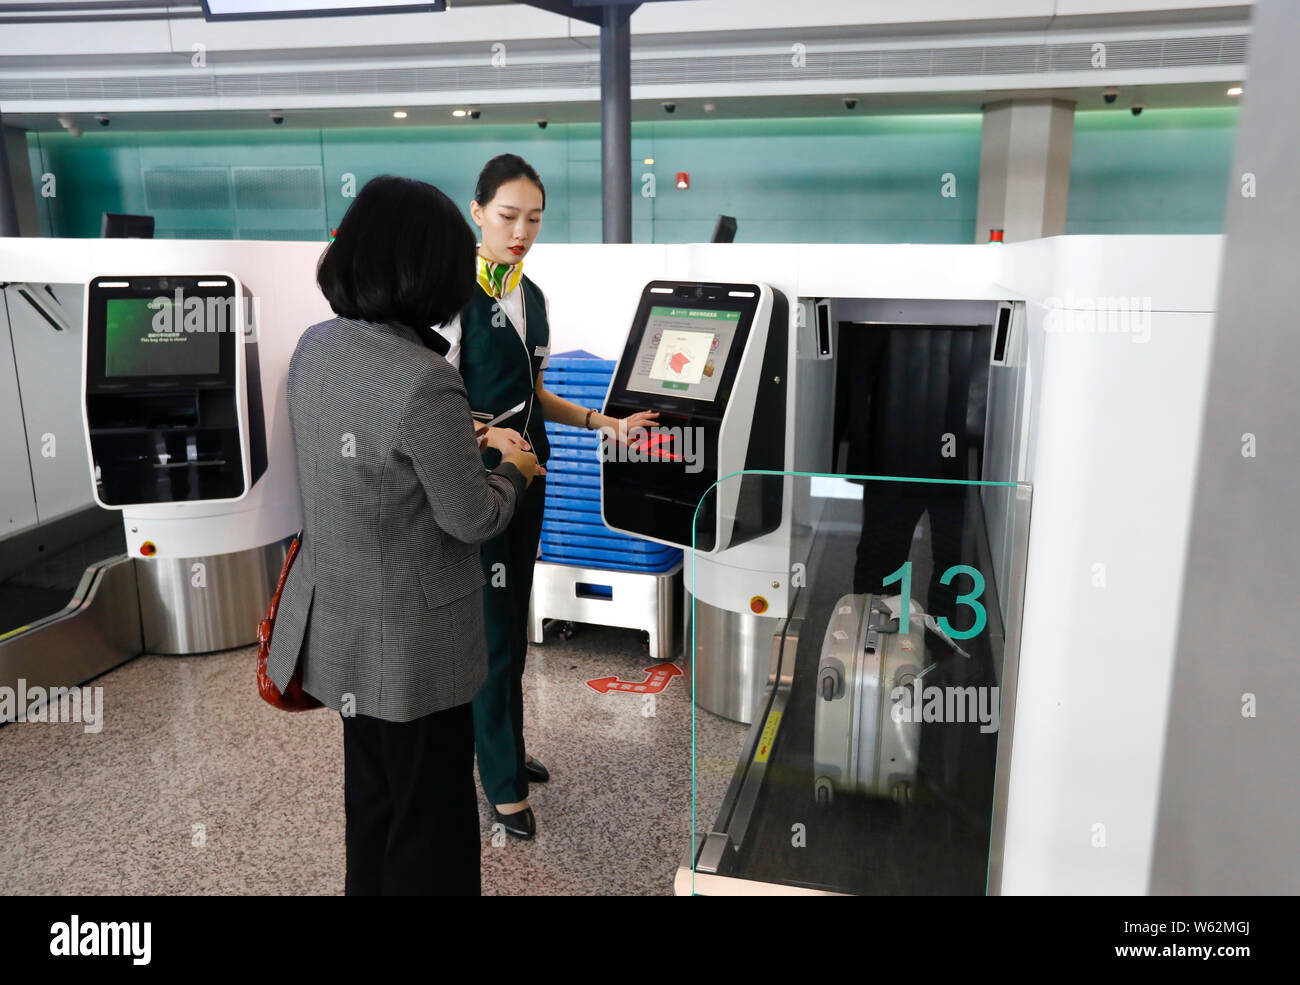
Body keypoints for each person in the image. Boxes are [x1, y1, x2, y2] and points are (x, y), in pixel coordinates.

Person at [266, 174, 538, 894]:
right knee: (434, 830)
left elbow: (371, 467)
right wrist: (510, 468)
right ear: (424, 271)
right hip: (416, 651)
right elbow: (471, 516)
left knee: (376, 805)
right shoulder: (425, 378)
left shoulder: (317, 346)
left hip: (344, 629)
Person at [433, 153, 656, 839]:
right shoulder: (449, 299)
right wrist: (488, 440)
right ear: (476, 212)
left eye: (534, 218)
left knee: (514, 623)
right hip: (477, 486)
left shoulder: (531, 298)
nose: (521, 230)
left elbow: (535, 394)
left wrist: (602, 422)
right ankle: (498, 781)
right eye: (508, 216)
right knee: (492, 634)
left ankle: (506, 746)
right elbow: (433, 406)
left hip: (530, 480)